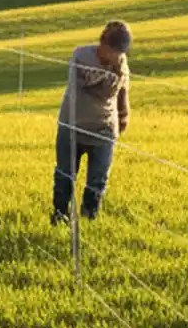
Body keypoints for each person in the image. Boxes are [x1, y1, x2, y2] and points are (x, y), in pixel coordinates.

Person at [52, 20, 132, 224]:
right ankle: (60, 216)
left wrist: (123, 116)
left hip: (104, 130)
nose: (115, 57)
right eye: (112, 51)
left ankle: (89, 220)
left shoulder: (121, 64)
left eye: (120, 53)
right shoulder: (80, 55)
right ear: (102, 43)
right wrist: (108, 77)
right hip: (72, 126)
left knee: (97, 181)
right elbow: (84, 86)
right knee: (65, 176)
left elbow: (123, 92)